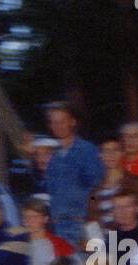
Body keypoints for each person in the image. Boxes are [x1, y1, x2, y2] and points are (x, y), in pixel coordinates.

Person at [43, 102, 104, 244]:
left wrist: (91, 222)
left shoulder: (87, 150)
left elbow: (97, 186)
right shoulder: (48, 152)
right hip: (55, 225)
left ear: (72, 122)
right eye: (54, 122)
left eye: (62, 121)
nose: (58, 126)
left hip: (81, 223)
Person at [22, 198, 78, 265]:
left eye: (34, 217)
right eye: (26, 217)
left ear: (45, 219)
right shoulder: (19, 245)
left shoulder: (59, 244)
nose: (29, 221)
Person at [89, 138, 138, 229]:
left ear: (123, 153)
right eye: (106, 151)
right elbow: (92, 220)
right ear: (100, 155)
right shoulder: (95, 191)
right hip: (106, 240)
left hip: (132, 238)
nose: (111, 155)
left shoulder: (137, 183)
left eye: (115, 150)